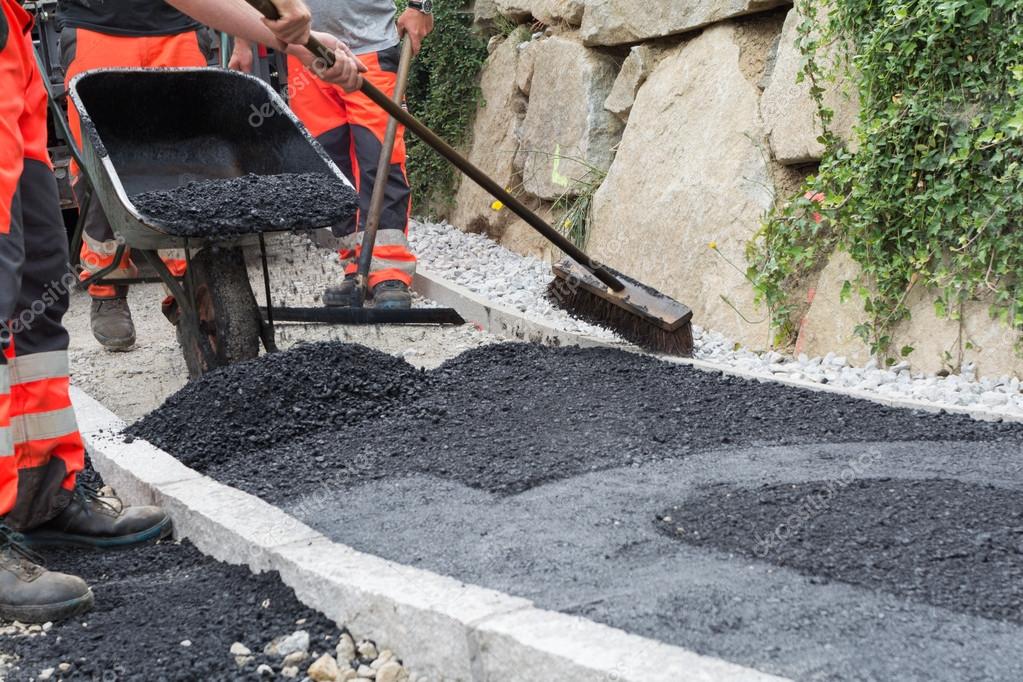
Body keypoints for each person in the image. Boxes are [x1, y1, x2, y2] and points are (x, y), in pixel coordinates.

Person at [0, 0, 361, 624]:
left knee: (36, 284)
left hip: (12, 48)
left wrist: (290, 40)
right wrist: (288, 35)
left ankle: (37, 499)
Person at [231, 0, 435, 310]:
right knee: (333, 170)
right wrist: (242, 40)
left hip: (371, 47)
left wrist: (421, 5)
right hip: (306, 56)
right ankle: (355, 267)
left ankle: (389, 271)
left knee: (380, 158)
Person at [59, 0, 215, 351]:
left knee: (187, 159)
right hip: (95, 26)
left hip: (181, 25)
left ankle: (191, 284)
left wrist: (248, 39)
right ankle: (107, 285)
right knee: (100, 163)